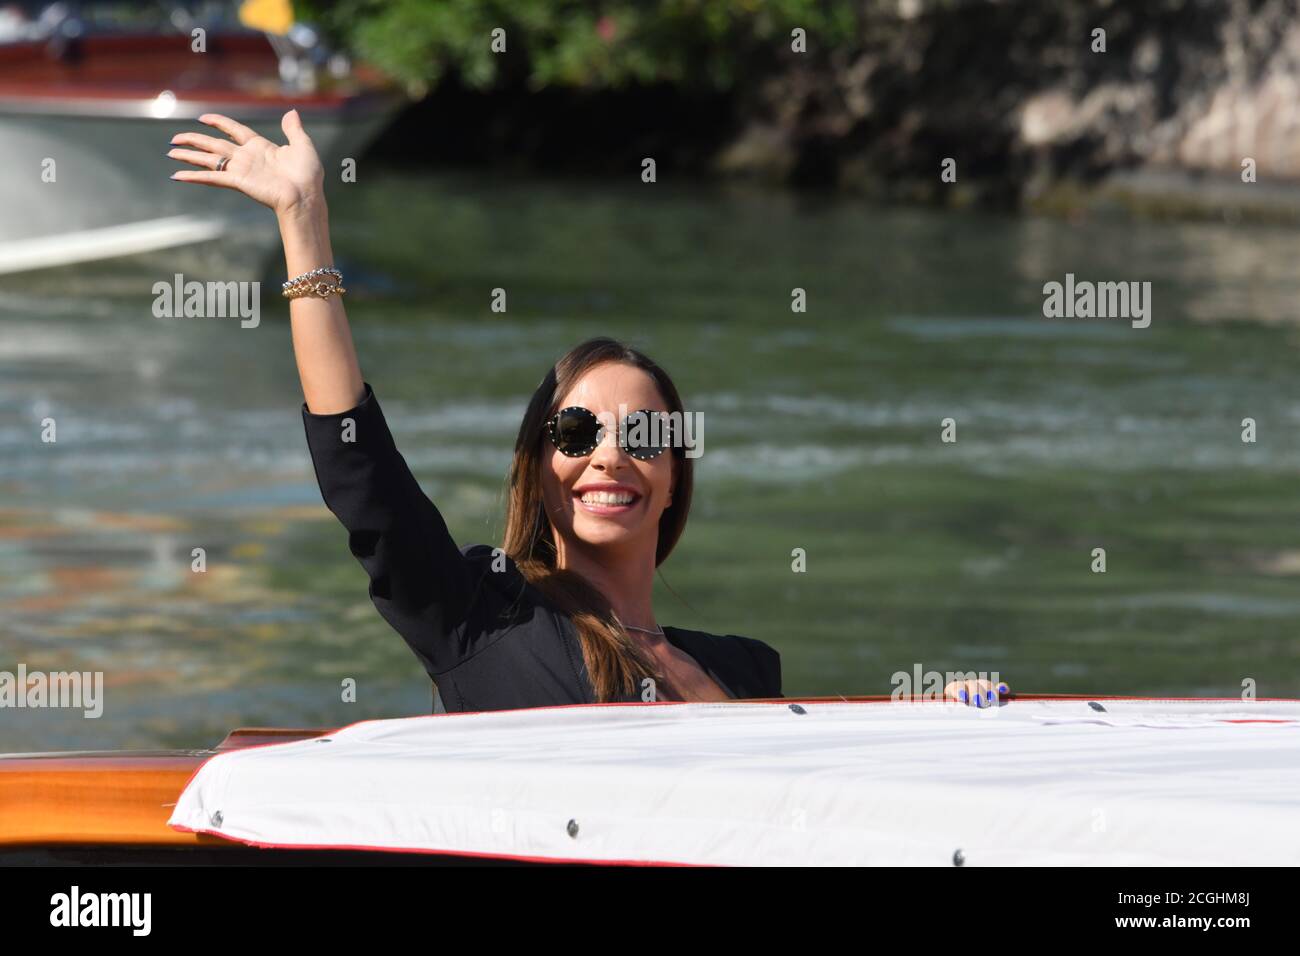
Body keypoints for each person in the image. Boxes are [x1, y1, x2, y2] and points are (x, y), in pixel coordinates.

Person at [167, 110, 1005, 711]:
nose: (609, 456)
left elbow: (816, 798)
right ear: (540, 461)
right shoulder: (480, 614)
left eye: (643, 435)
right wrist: (304, 225)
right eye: (575, 432)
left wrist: (947, 725)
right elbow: (362, 474)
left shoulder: (745, 669)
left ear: (675, 476)